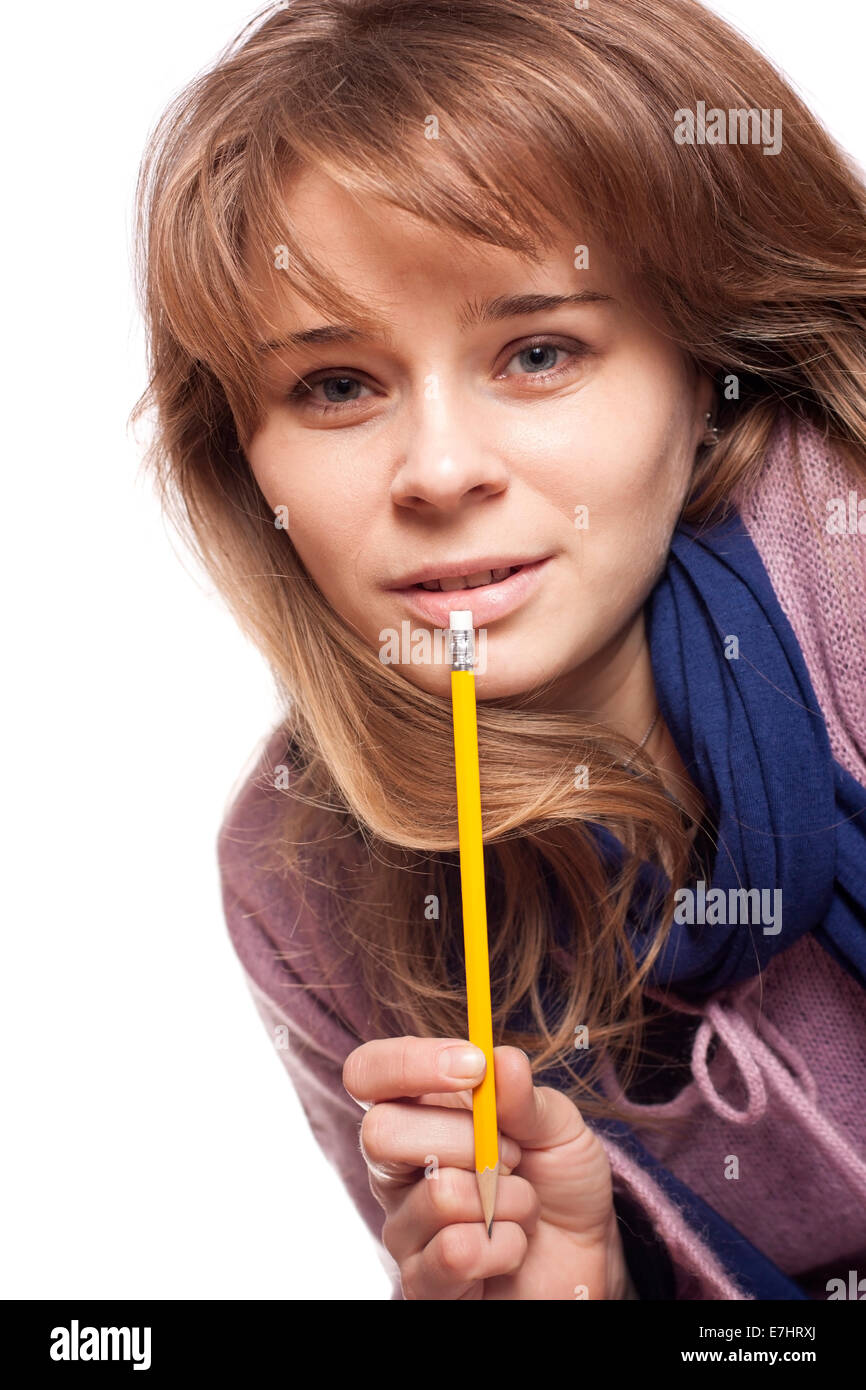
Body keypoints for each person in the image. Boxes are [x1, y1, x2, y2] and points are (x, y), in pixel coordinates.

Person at [131, 0, 866, 1299]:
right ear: (243, 455)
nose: (439, 471)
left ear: (707, 374)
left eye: (537, 353)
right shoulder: (294, 878)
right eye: (335, 385)